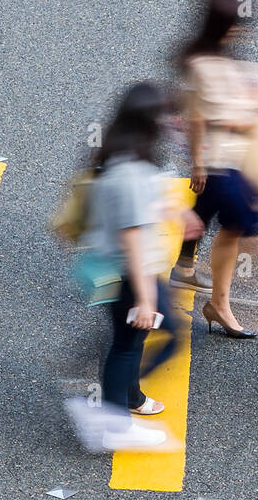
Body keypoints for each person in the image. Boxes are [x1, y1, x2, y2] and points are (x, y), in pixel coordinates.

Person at [73, 82, 199, 451]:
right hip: (128, 272)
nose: (174, 121)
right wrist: (145, 299)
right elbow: (131, 237)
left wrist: (177, 209)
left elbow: (146, 197)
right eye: (168, 116)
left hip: (128, 267)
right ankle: (113, 421)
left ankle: (127, 398)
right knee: (140, 341)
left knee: (133, 340)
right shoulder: (128, 170)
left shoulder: (129, 153)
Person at [172, 0, 258, 338]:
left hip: (234, 159)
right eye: (236, 24)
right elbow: (197, 117)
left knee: (209, 210)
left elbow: (256, 104)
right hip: (219, 160)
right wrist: (198, 163)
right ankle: (221, 302)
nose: (242, 30)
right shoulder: (202, 66)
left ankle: (189, 271)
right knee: (244, 223)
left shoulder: (230, 61)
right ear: (223, 26)